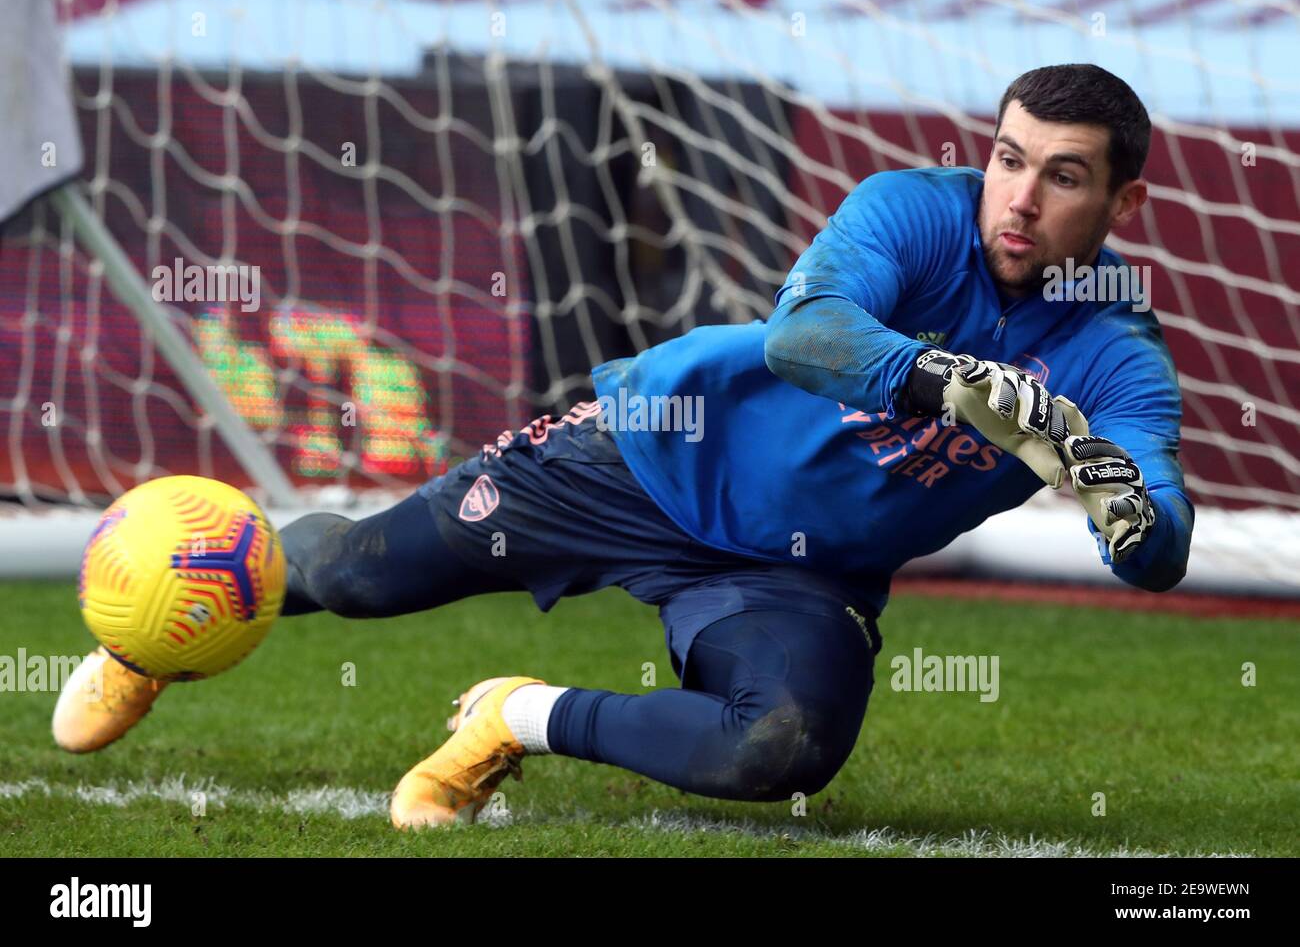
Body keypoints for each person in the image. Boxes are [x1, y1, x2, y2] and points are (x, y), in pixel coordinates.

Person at [53, 64, 1194, 829]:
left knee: (779, 752)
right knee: (354, 574)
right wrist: (943, 380)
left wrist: (1128, 515)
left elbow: (1159, 535)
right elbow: (808, 334)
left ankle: (514, 715)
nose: (1019, 196)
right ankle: (156, 639)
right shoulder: (913, 209)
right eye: (1007, 157)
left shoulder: (1112, 354)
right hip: (646, 458)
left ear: (1124, 202)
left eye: (1063, 174)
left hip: (794, 571)